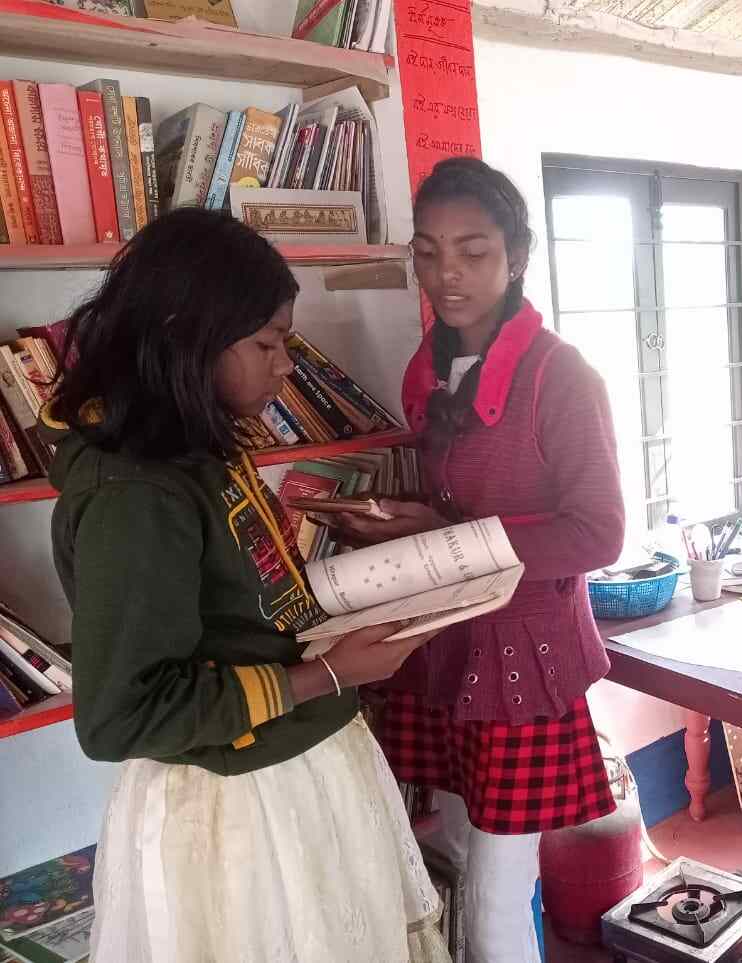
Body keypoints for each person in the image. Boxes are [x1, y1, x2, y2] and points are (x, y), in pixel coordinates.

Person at [41, 208, 451, 963]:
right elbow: (121, 715)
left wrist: (351, 589)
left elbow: (239, 607)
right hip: (238, 812)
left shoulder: (196, 450)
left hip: (296, 771)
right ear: (186, 337)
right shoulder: (136, 496)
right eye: (267, 343)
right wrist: (330, 672)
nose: (286, 366)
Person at [331, 157, 626, 963]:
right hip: (446, 642)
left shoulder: (562, 376)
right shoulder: (426, 371)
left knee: (496, 901)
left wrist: (447, 535)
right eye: (428, 253)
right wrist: (402, 522)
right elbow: (452, 506)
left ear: (517, 257)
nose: (447, 274)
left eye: (473, 250)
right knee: (452, 860)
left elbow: (599, 533)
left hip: (523, 659)